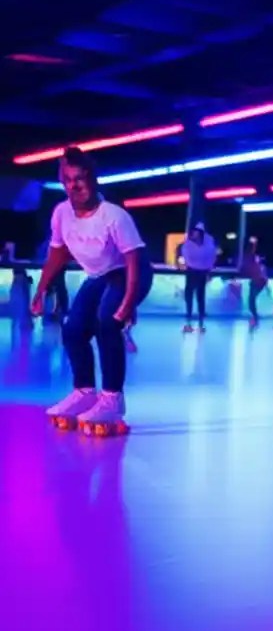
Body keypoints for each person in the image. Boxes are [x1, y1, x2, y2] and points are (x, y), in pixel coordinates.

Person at [35, 147, 153, 433]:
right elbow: (58, 254)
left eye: (81, 178)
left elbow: (133, 260)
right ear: (63, 183)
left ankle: (112, 398)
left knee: (106, 322)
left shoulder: (113, 215)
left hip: (129, 273)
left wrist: (127, 302)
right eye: (69, 180)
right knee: (73, 329)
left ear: (92, 180)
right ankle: (85, 392)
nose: (76, 185)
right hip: (98, 275)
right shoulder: (62, 213)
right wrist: (40, 289)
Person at [179, 222, 217, 333]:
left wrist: (208, 269)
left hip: (201, 272)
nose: (193, 234)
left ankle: (200, 324)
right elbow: (185, 255)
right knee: (189, 297)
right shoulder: (188, 244)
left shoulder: (208, 244)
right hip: (192, 271)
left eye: (195, 232)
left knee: (200, 297)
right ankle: (189, 323)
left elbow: (212, 257)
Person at [241, 236, 270, 328]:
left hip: (259, 280)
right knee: (251, 300)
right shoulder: (250, 256)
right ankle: (255, 317)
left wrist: (265, 282)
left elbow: (261, 269)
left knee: (251, 300)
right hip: (256, 280)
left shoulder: (256, 257)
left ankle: (255, 317)